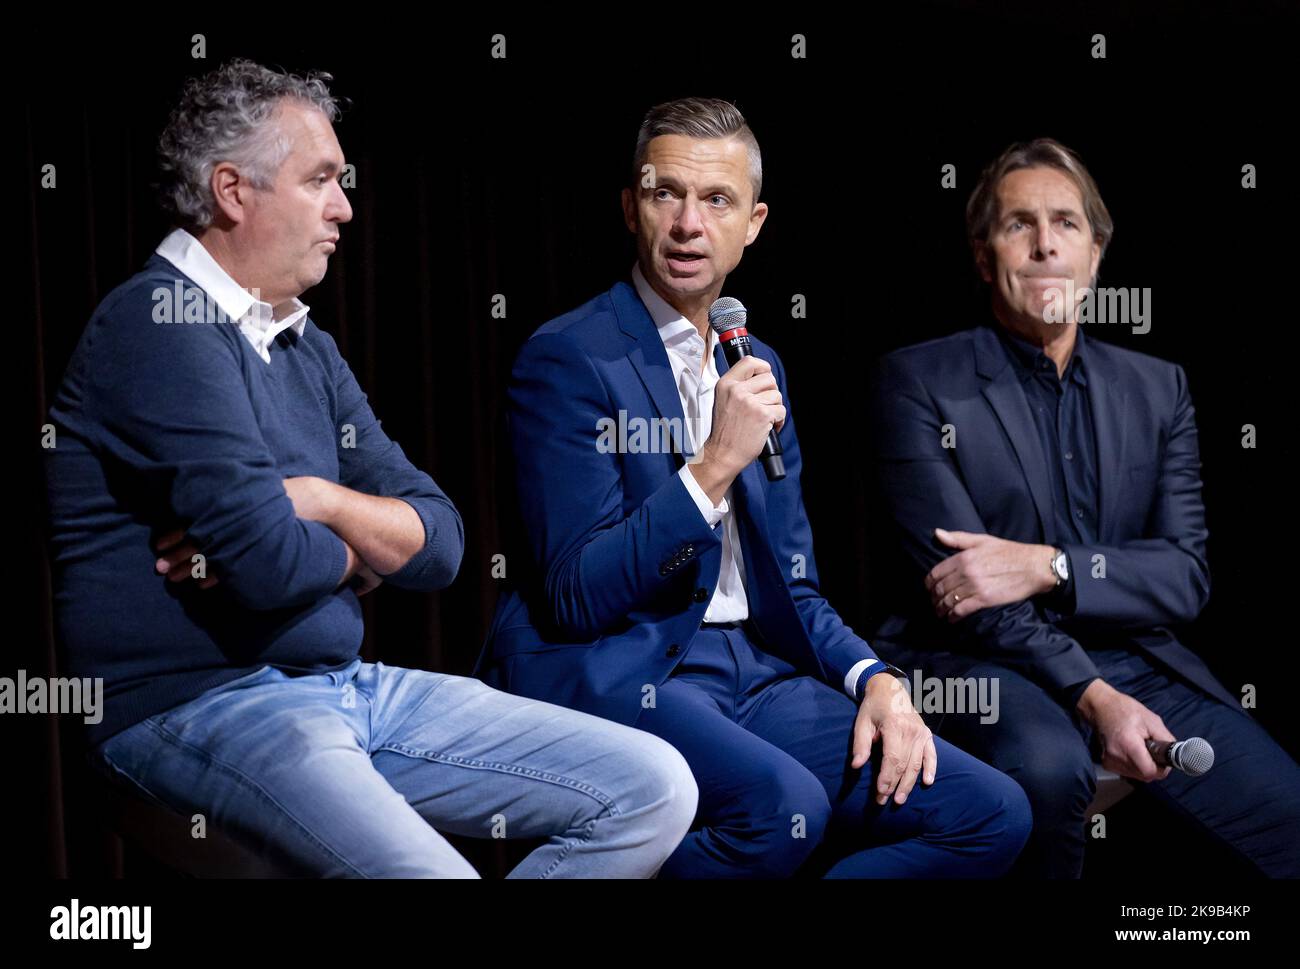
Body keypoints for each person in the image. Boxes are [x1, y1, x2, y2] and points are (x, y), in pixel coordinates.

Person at [42, 58, 697, 878]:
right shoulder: (158, 323)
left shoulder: (301, 341)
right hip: (202, 705)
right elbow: (269, 564)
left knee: (653, 785)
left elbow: (445, 541)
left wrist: (314, 499)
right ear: (233, 191)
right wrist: (354, 546)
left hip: (346, 685)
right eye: (321, 179)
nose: (345, 207)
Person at [476, 97, 1032, 878]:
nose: (687, 224)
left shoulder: (756, 363)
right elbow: (575, 591)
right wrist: (708, 470)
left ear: (754, 224)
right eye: (665, 193)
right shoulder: (570, 357)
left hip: (758, 671)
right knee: (783, 809)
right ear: (630, 206)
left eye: (716, 200)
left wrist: (874, 678)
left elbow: (795, 583)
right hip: (629, 667)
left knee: (990, 812)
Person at [869, 136, 1300, 877]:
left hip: (1136, 657)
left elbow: (1183, 574)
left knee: (1291, 811)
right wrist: (1095, 698)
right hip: (979, 661)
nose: (1045, 246)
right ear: (983, 255)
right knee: (1046, 768)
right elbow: (965, 591)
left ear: (1096, 255)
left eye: (1066, 224)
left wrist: (1051, 565)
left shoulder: (1159, 387)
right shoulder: (916, 379)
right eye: (1018, 225)